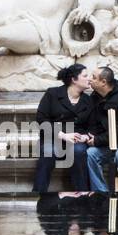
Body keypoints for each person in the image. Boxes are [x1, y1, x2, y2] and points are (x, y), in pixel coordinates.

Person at [33, 63, 93, 192]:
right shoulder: (52, 93)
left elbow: (93, 125)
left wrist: (85, 136)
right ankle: (38, 196)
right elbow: (41, 119)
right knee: (48, 153)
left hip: (76, 141)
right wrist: (63, 135)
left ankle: (82, 196)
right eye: (85, 76)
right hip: (54, 138)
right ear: (74, 79)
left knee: (78, 152)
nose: (90, 79)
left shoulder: (88, 100)